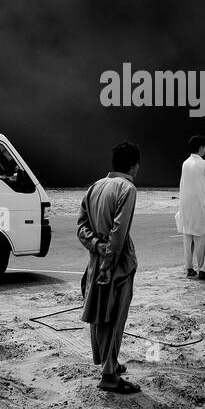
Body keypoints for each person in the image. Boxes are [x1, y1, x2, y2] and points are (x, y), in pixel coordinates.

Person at [77, 141, 142, 394]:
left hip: (96, 262)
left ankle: (109, 363)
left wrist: (96, 246)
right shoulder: (128, 188)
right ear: (135, 165)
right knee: (115, 317)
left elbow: (81, 228)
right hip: (116, 264)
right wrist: (108, 263)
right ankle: (109, 375)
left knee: (100, 315)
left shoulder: (95, 187)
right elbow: (119, 231)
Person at [176, 135, 205, 280]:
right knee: (203, 239)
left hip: (186, 207)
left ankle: (189, 268)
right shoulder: (204, 164)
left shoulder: (185, 163)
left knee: (188, 238)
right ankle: (203, 269)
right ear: (201, 147)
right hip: (201, 207)